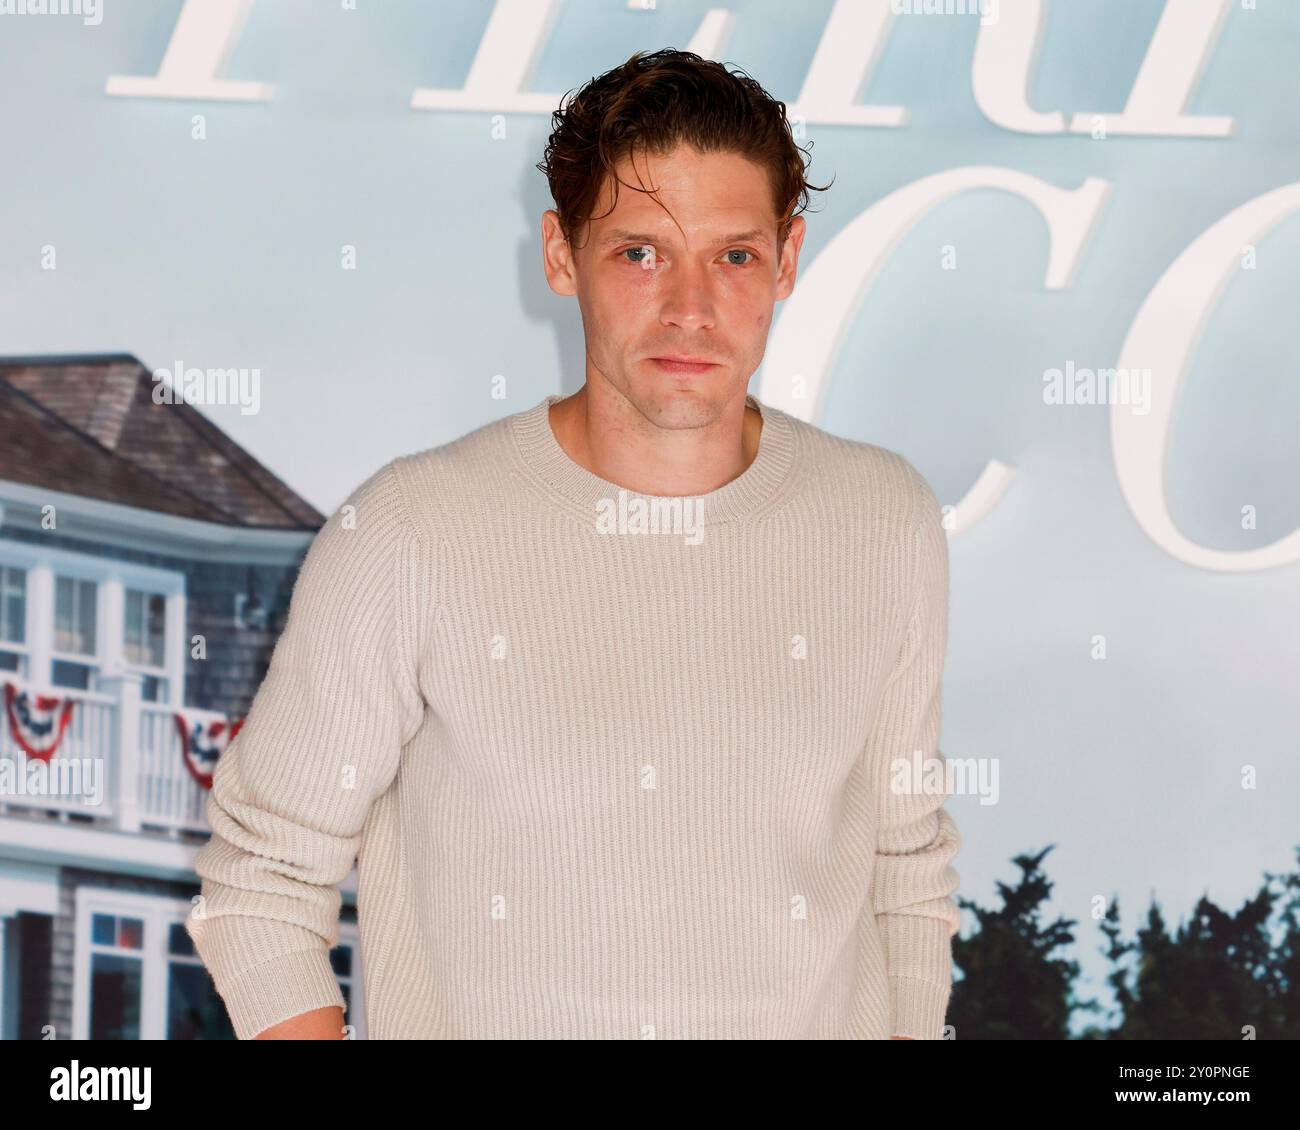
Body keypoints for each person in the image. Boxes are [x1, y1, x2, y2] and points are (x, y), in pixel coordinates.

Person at [186, 47, 961, 1040]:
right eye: (640, 252)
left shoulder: (882, 518)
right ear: (560, 255)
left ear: (787, 259)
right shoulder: (411, 533)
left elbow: (904, 865)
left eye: (732, 254)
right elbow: (259, 881)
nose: (690, 307)